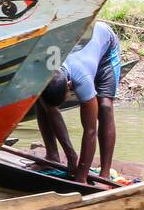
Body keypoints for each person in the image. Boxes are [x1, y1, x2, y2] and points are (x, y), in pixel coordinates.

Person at [35, 22, 121, 186]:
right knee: (41, 102)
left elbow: (90, 131)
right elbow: (50, 108)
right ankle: (52, 155)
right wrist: (71, 155)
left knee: (104, 107)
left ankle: (104, 174)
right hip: (77, 43)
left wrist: (81, 175)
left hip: (105, 48)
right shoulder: (45, 68)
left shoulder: (82, 78)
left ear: (69, 85)